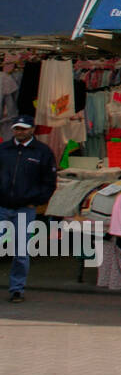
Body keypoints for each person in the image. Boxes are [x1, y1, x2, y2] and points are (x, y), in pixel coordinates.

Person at [0, 116, 57, 302]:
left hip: (25, 208)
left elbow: (49, 182)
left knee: (21, 251)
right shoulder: (3, 149)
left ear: (32, 129)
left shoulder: (43, 152)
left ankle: (17, 289)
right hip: (2, 206)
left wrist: (37, 200)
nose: (20, 132)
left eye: (23, 129)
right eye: (17, 128)